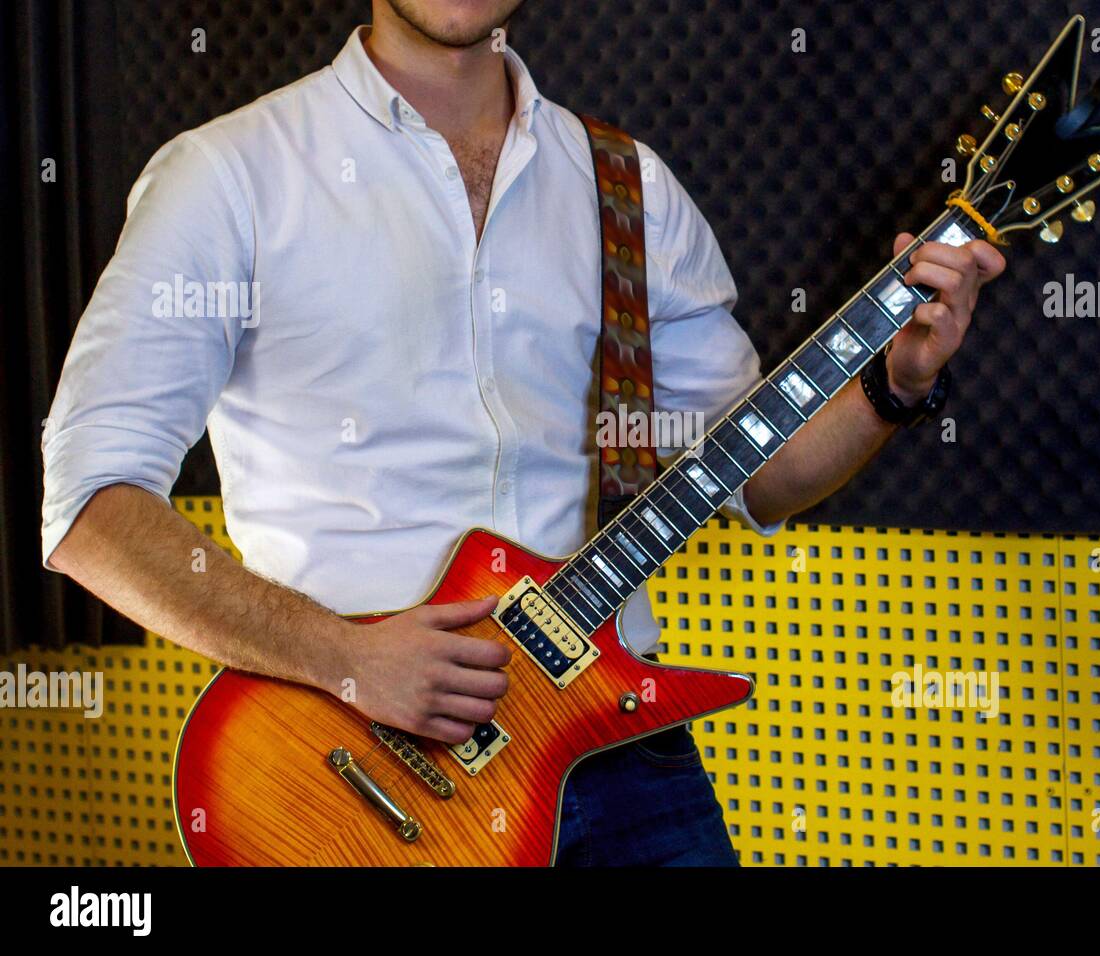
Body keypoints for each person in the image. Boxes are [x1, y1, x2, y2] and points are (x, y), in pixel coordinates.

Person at [41, 0, 1005, 865]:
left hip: (619, 753)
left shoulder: (627, 184)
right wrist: (346, 656)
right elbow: (91, 506)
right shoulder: (229, 174)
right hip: (350, 773)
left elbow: (756, 473)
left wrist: (893, 383)